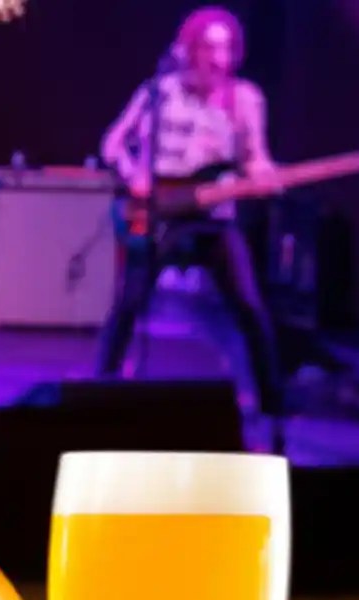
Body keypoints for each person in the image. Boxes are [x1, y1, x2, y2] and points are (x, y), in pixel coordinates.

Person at [96, 5, 286, 448]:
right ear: (188, 50)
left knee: (250, 307)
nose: (219, 59)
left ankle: (273, 410)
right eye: (209, 48)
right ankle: (99, 392)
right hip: (159, 214)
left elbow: (255, 156)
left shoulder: (244, 99)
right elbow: (112, 144)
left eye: (227, 49)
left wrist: (264, 174)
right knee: (128, 304)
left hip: (213, 220)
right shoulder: (157, 93)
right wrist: (134, 175)